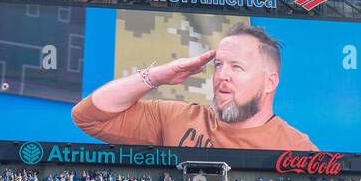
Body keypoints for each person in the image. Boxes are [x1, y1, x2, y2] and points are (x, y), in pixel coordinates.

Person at [71, 24, 316, 151]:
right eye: (219, 65)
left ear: (269, 82)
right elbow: (89, 118)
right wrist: (155, 76)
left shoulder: (297, 147)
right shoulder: (177, 118)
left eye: (237, 67)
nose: (222, 76)